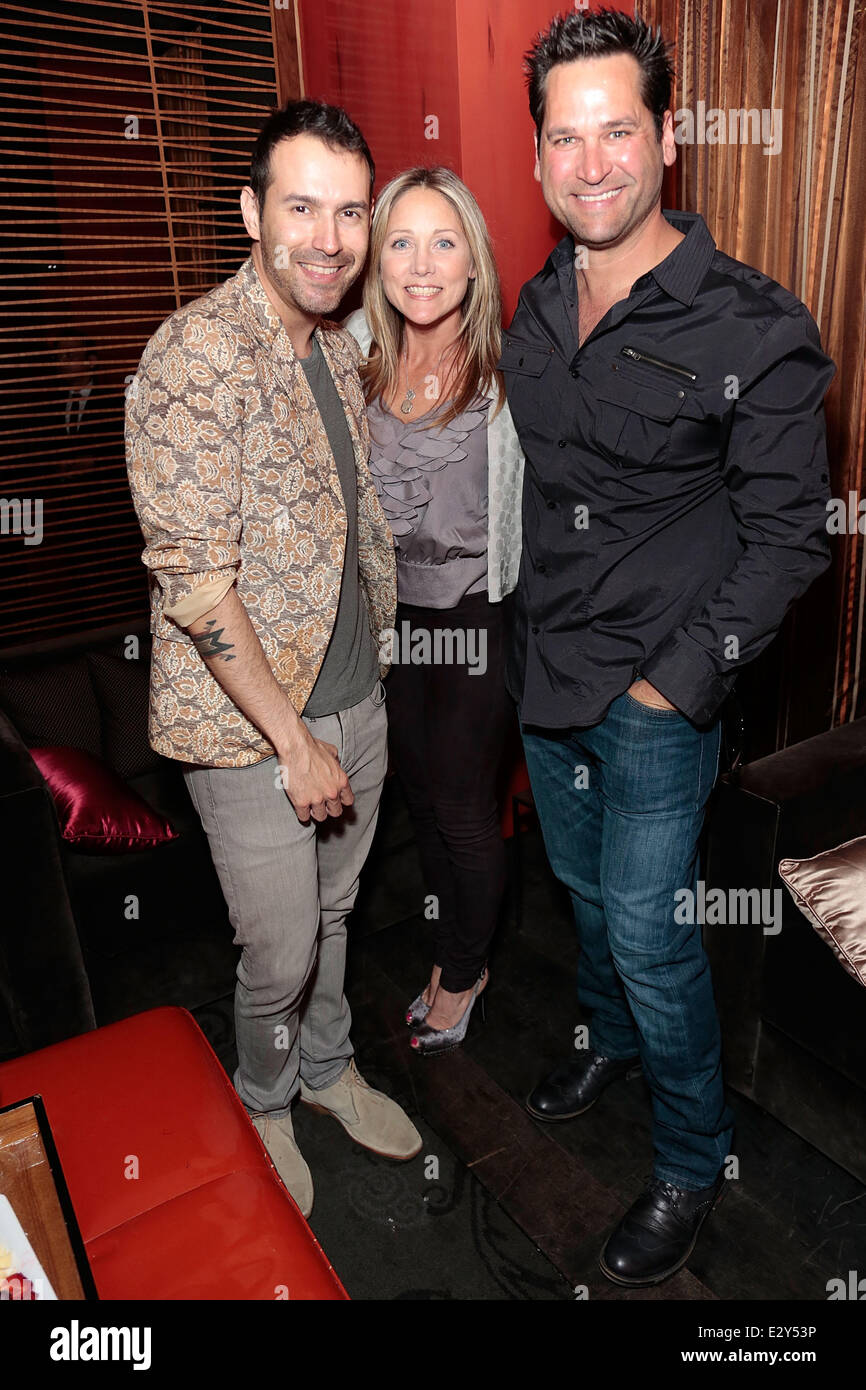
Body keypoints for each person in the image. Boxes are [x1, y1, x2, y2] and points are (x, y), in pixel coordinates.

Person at [500, 10, 834, 1286]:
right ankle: (609, 1038)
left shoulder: (751, 326)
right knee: (582, 899)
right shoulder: (533, 310)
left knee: (646, 926)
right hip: (547, 676)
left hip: (657, 693)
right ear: (537, 156)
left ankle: (692, 1160)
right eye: (564, 138)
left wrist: (671, 686)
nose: (590, 165)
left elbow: (790, 535)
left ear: (668, 139)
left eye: (616, 132)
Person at [125, 100, 422, 1219]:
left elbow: (347, 528)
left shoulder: (338, 352)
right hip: (253, 730)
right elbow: (194, 578)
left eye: (349, 212)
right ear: (252, 211)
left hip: (355, 699)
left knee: (337, 917)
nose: (327, 238)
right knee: (281, 946)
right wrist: (291, 741)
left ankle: (330, 1068)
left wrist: (371, 678)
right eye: (300, 206)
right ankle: (262, 1098)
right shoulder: (198, 354)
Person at [344, 167, 524, 1055]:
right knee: (420, 797)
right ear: (377, 261)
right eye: (401, 242)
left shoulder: (508, 375)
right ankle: (455, 949)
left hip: (478, 619)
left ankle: (463, 974)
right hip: (396, 624)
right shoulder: (359, 369)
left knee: (460, 806)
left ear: (473, 261)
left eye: (443, 241)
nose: (422, 264)